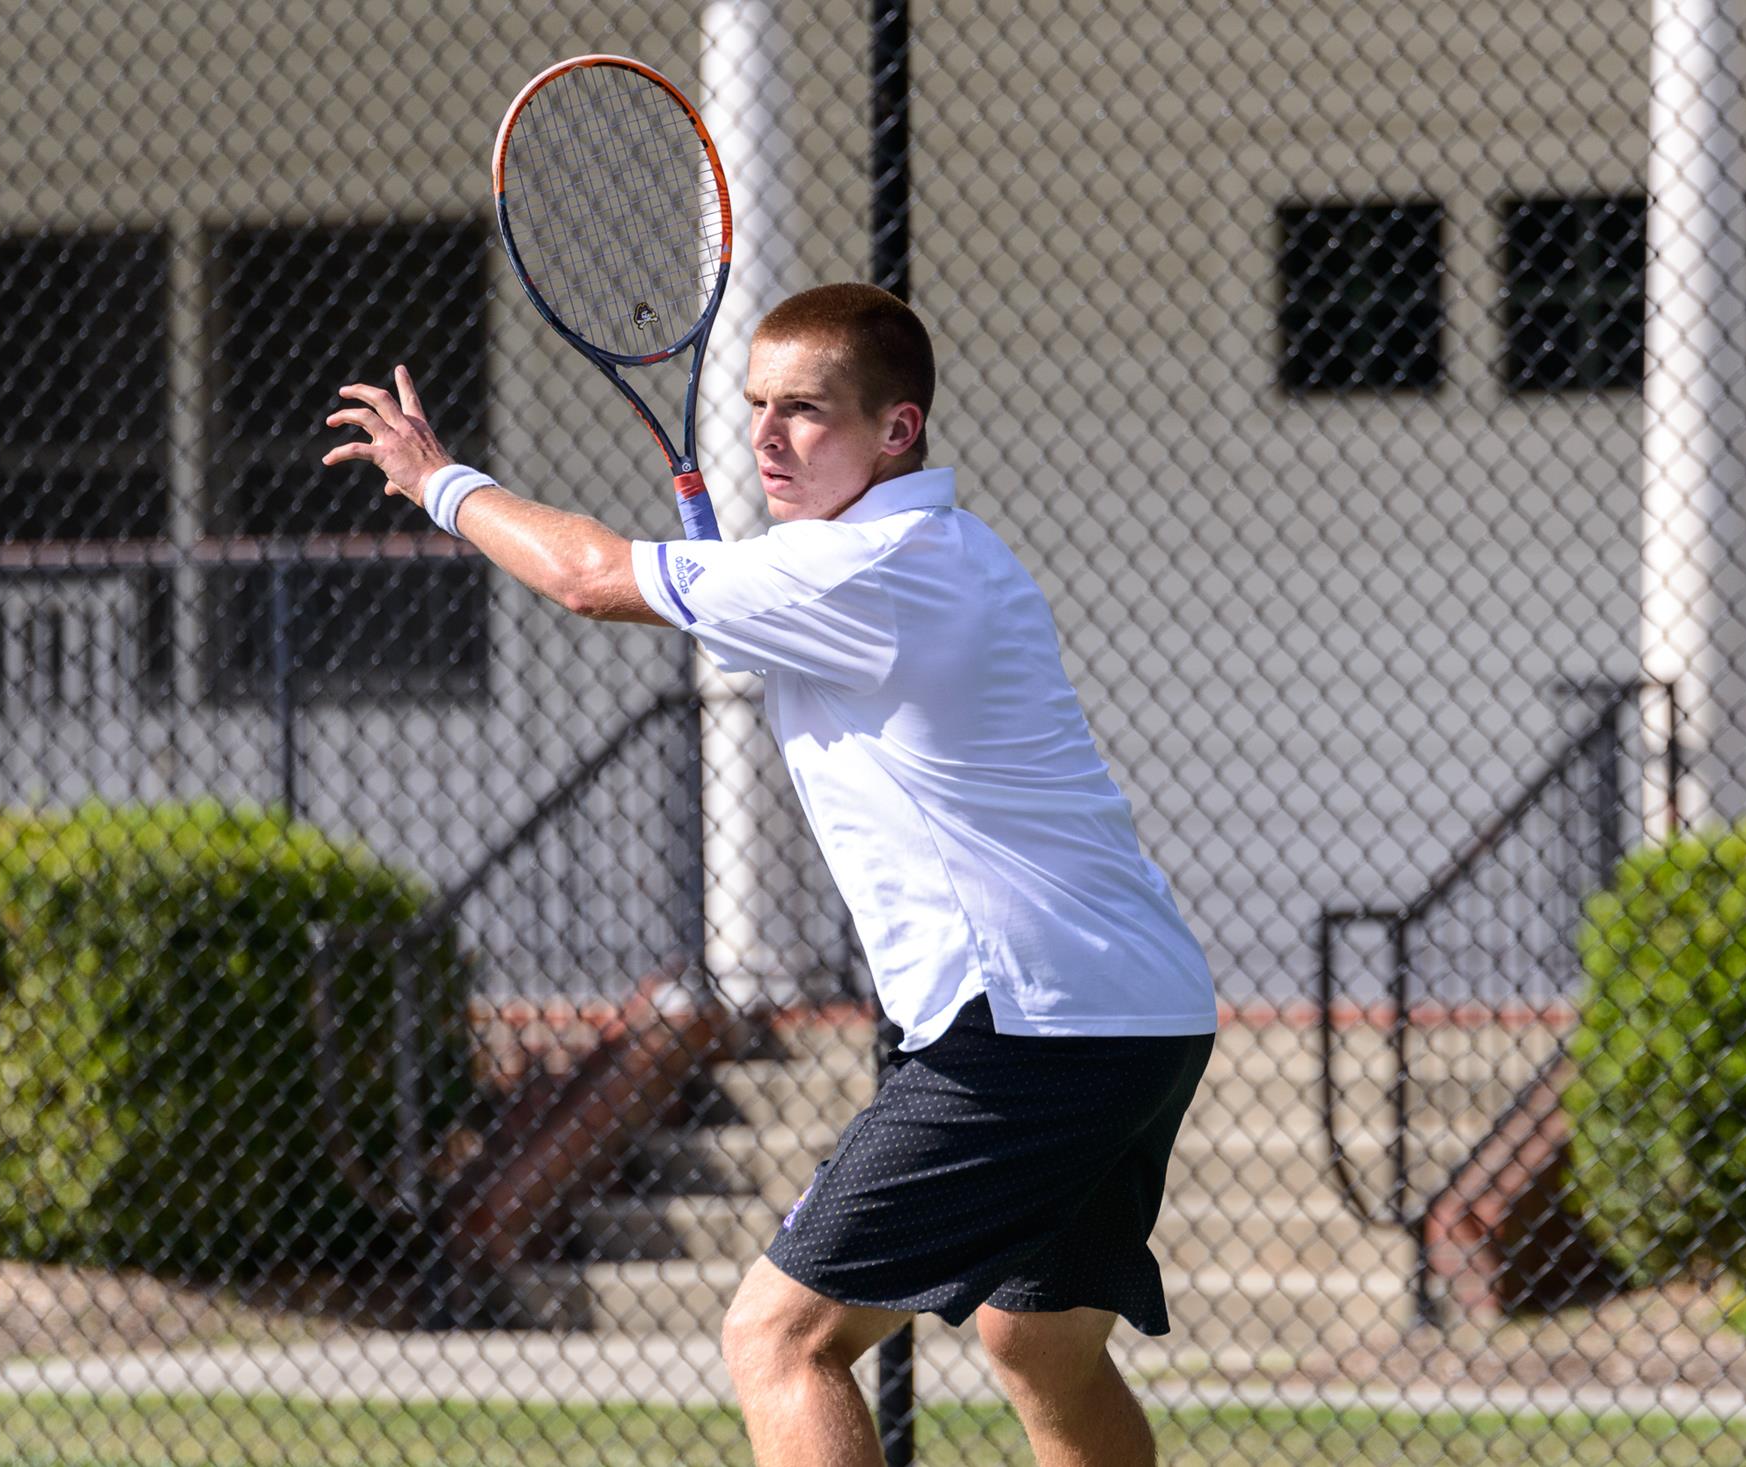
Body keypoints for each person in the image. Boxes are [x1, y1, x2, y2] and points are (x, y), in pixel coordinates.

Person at [324, 282, 1216, 1467]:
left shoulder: (867, 574)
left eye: (806, 410)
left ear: (896, 430)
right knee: (1037, 1337)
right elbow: (747, 608)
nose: (765, 434)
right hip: (1144, 1012)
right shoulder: (924, 553)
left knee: (779, 1338)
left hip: (1029, 1025)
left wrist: (437, 479)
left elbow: (589, 578)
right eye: (755, 405)